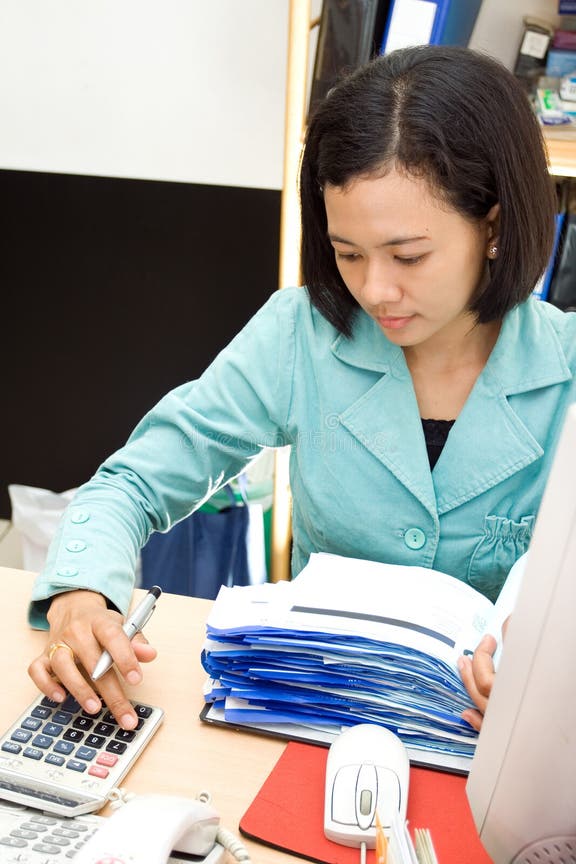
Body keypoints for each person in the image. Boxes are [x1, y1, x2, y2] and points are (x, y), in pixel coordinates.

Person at [28, 45, 576, 733]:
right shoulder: (302, 334)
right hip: (311, 715)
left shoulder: (568, 369)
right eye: (348, 253)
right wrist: (82, 594)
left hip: (494, 745)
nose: (375, 289)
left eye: (408, 255)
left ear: (493, 227)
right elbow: (133, 482)